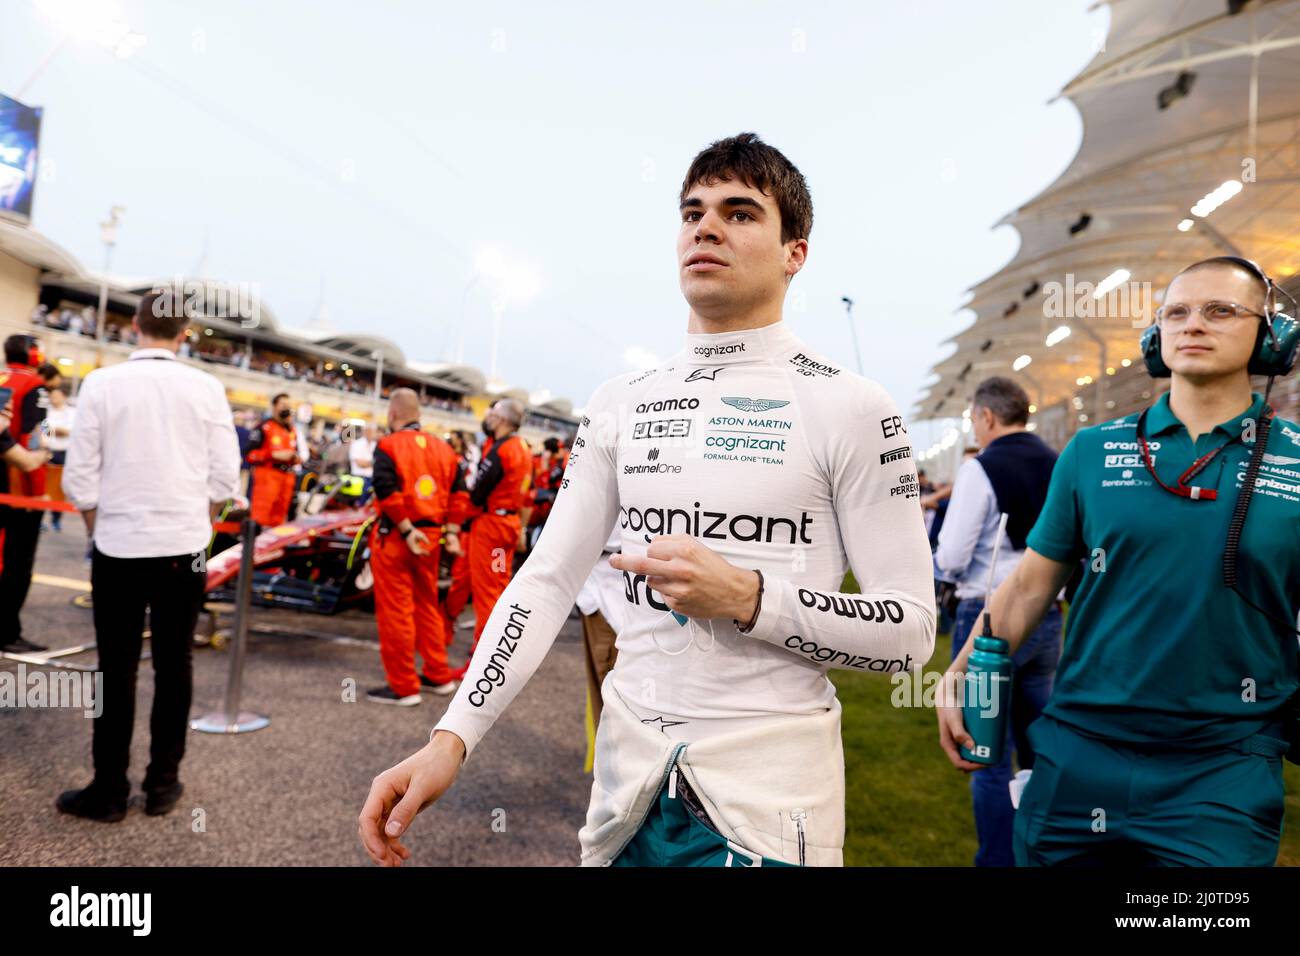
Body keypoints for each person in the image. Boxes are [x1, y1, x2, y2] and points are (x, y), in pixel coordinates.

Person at [360, 132, 936, 868]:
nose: (706, 226)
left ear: (796, 251)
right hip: (623, 801)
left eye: (740, 212)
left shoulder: (852, 405)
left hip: (767, 810)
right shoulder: (621, 401)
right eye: (692, 211)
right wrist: (453, 738)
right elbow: (545, 583)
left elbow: (912, 634)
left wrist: (749, 597)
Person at [938, 256, 1300, 866]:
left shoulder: (1294, 461)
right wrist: (959, 670)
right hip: (1080, 753)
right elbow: (1030, 585)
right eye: (1177, 312)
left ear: (1270, 337)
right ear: (1157, 337)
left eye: (1220, 311)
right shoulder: (1092, 450)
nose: (1194, 325)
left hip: (1224, 767)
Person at [59, 289, 241, 822]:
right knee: (174, 664)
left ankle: (108, 790)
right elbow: (225, 476)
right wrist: (198, 524)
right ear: (184, 334)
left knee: (114, 669)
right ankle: (163, 783)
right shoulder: (207, 388)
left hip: (118, 546)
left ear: (133, 325)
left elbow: (80, 477)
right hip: (183, 549)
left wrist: (99, 526)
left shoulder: (101, 383)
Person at [933, 376, 1060, 867]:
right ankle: (1041, 852)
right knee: (1038, 748)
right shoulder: (1058, 462)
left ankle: (998, 861)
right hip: (1048, 615)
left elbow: (954, 552)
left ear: (986, 417)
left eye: (973, 420)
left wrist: (940, 569)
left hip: (987, 617)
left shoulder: (979, 467)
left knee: (986, 752)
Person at [366, 389, 462, 705]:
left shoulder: (388, 445)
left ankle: (404, 686)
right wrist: (451, 532)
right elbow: (459, 493)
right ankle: (437, 674)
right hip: (432, 539)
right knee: (427, 604)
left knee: (397, 611)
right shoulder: (444, 448)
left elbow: (385, 489)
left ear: (393, 415)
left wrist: (406, 529)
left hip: (398, 538)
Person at [455, 398, 532, 667]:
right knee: (498, 587)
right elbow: (526, 493)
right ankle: (497, 645)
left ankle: (483, 652)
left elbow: (478, 493)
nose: (487, 419)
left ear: (500, 419)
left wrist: (459, 521)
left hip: (491, 529)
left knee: (487, 591)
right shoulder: (522, 447)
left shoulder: (501, 450)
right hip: (507, 528)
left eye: (491, 415)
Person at [0, 333, 51, 654]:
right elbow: (35, 438)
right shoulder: (34, 386)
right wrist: (38, 492)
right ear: (32, 353)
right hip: (17, 489)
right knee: (17, 564)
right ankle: (7, 631)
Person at [245, 392, 299, 528]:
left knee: (279, 519)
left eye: (288, 405)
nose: (286, 408)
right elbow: (249, 454)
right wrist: (273, 455)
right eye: (283, 404)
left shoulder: (291, 430)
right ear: (274, 406)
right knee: (261, 517)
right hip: (267, 475)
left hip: (287, 477)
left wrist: (294, 458)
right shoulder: (264, 427)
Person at [41, 385, 75, 533]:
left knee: (59, 489)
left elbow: (71, 431)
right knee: (43, 488)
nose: (53, 398)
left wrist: (54, 431)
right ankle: (41, 520)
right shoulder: (45, 411)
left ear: (64, 396)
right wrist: (58, 431)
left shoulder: (73, 412)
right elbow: (44, 431)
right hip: (47, 452)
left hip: (64, 454)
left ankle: (56, 519)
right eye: (51, 395)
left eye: (56, 395)